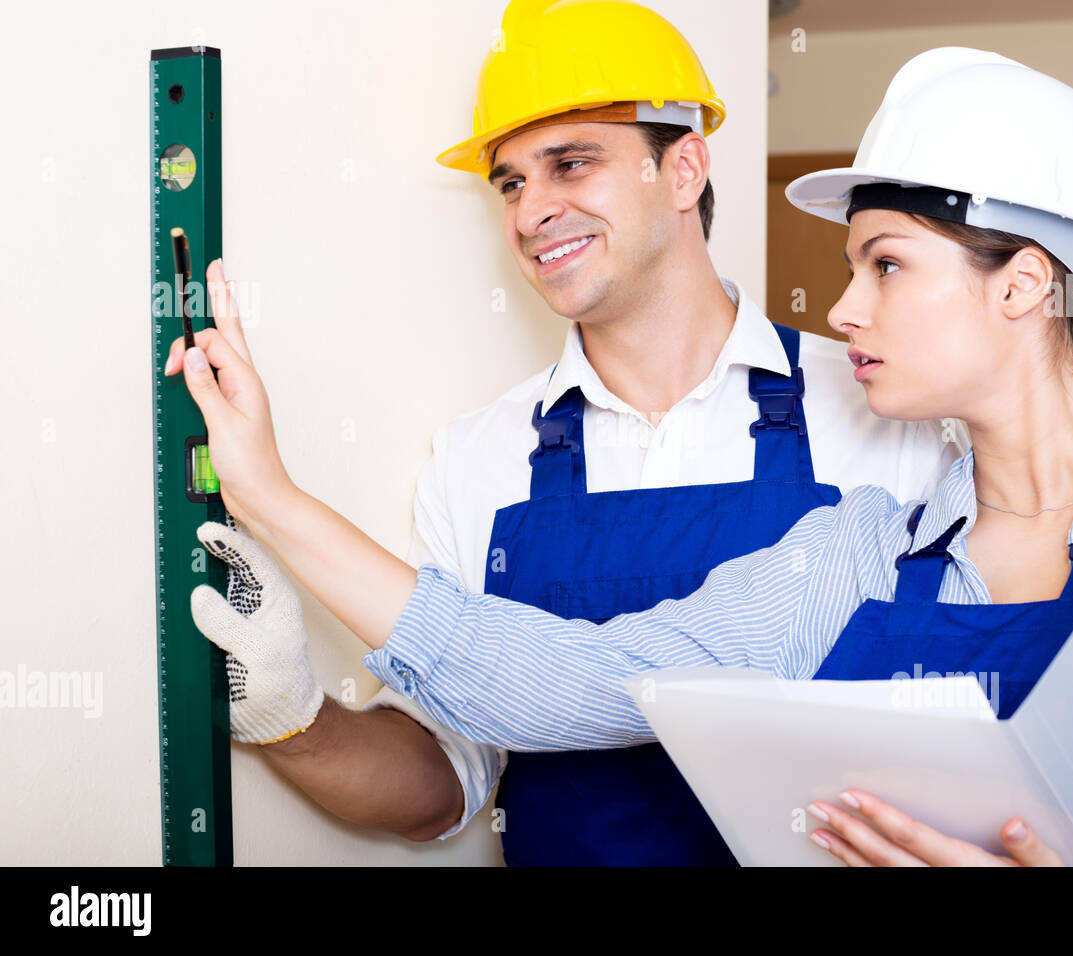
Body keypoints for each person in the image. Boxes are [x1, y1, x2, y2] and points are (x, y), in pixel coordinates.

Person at [163, 0, 960, 867]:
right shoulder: (479, 460)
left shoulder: (887, 419)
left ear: (685, 169)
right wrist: (296, 721)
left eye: (571, 164)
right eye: (510, 182)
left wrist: (274, 497)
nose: (530, 211)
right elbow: (442, 784)